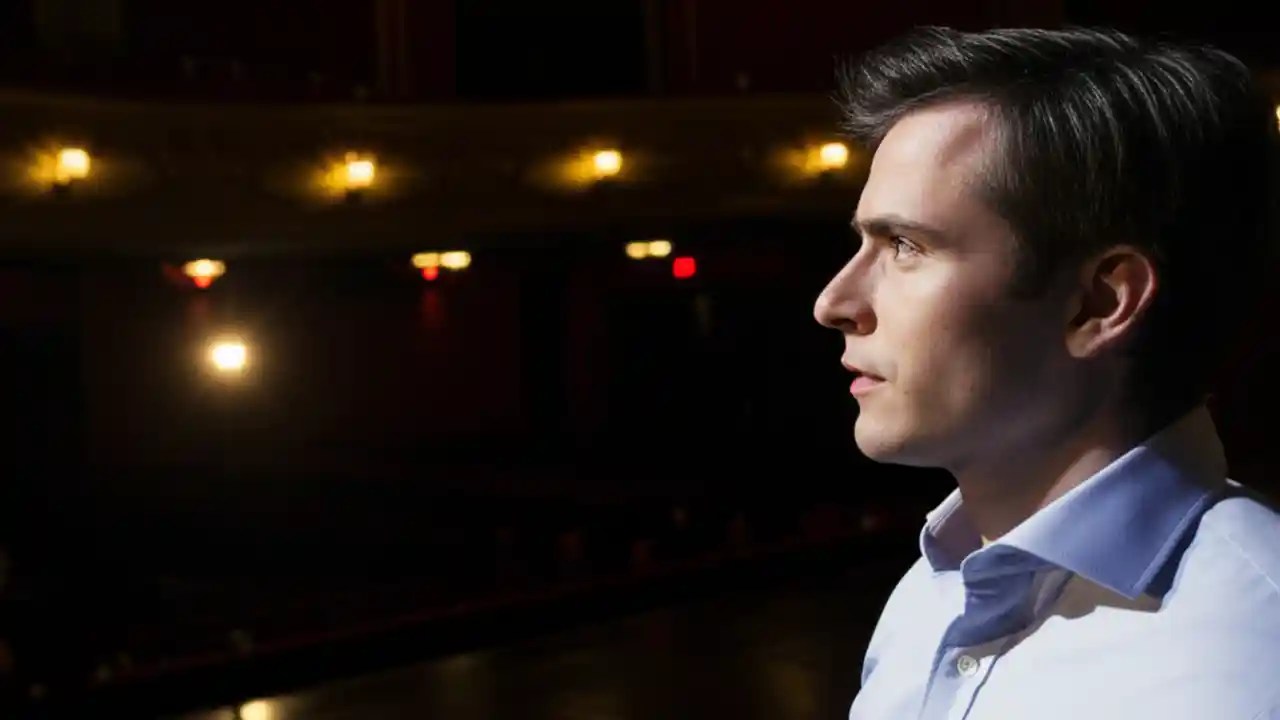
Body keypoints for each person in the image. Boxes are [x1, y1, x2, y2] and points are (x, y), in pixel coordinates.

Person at [813, 26, 1280, 719]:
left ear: (1100, 303)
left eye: (905, 245)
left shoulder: (1251, 647)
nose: (833, 303)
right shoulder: (928, 594)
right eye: (863, 242)